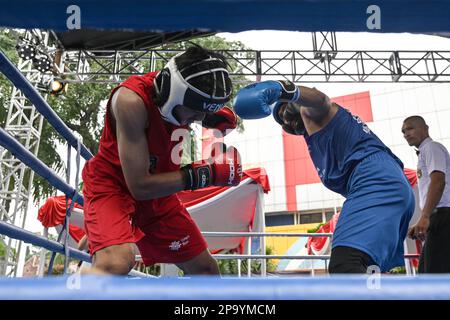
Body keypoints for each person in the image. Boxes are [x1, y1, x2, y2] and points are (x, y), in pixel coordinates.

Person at [81, 45, 243, 275]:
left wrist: (210, 117)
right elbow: (139, 186)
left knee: (206, 271)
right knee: (116, 263)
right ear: (176, 93)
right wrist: (204, 175)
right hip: (114, 188)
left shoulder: (181, 101)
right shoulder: (131, 101)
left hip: (159, 197)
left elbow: (194, 112)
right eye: (195, 112)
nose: (198, 119)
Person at [233, 80, 415, 273]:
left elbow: (320, 100)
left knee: (346, 263)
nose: (286, 120)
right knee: (368, 267)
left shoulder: (314, 113)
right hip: (383, 185)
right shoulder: (317, 139)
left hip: (377, 181)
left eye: (285, 111)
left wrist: (285, 90)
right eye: (281, 118)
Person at [402, 116, 450, 273]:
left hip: (443, 217)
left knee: (433, 273)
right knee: (428, 270)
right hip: (439, 216)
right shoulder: (425, 151)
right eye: (403, 131)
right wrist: (421, 219)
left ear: (425, 128)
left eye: (410, 128)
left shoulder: (432, 148)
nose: (406, 134)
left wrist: (425, 216)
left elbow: (438, 181)